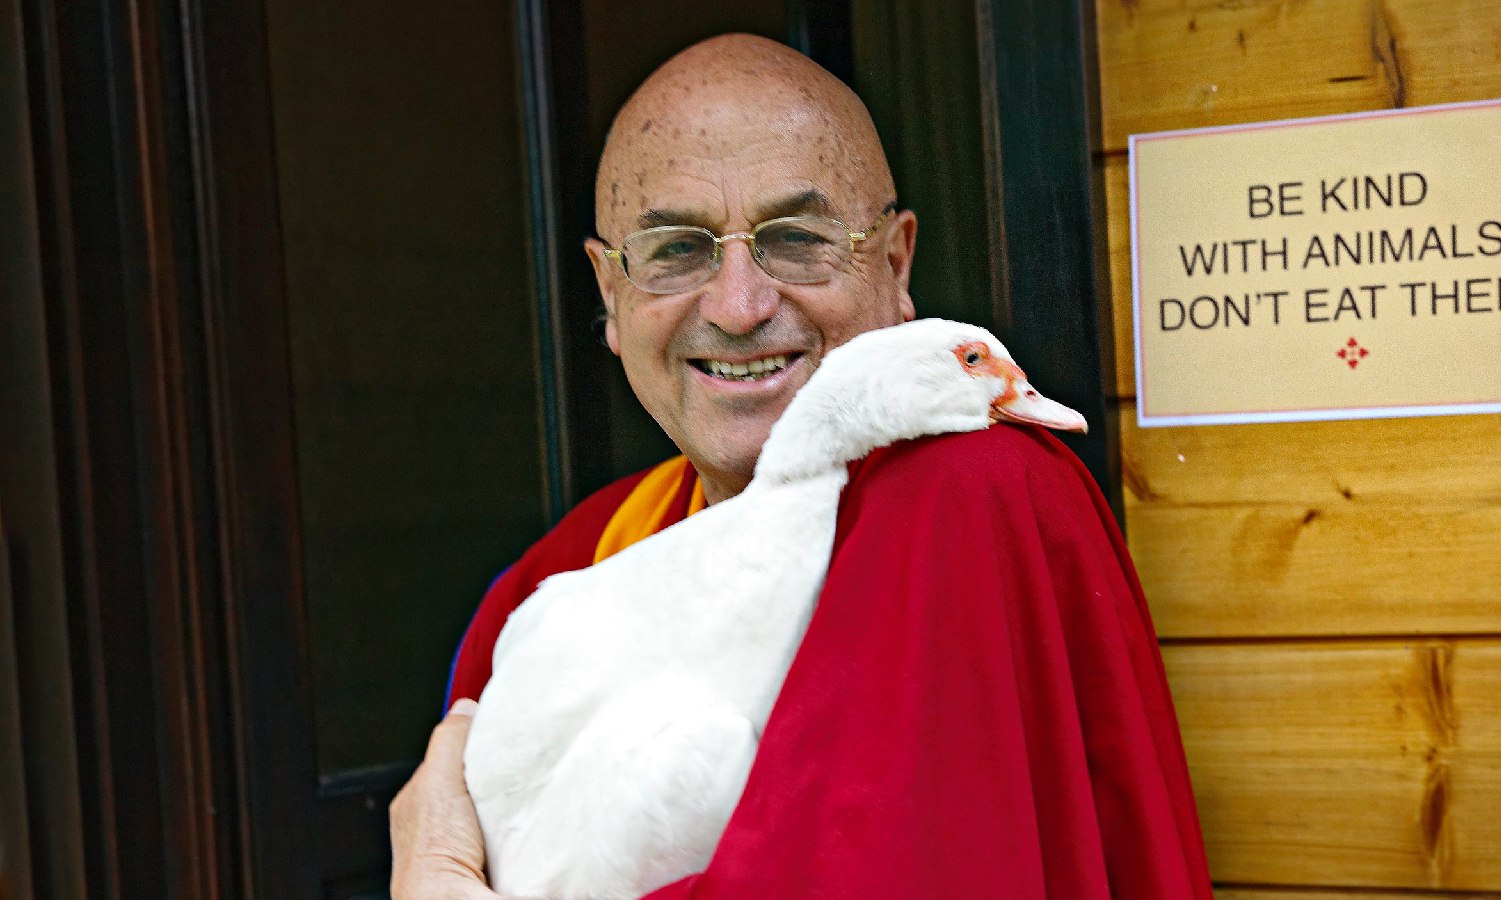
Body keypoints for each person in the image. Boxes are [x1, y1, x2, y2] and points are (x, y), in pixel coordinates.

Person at [390, 33, 1212, 900]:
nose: (740, 308)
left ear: (895, 266)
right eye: (675, 249)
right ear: (609, 295)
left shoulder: (970, 496)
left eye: (796, 239)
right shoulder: (563, 572)